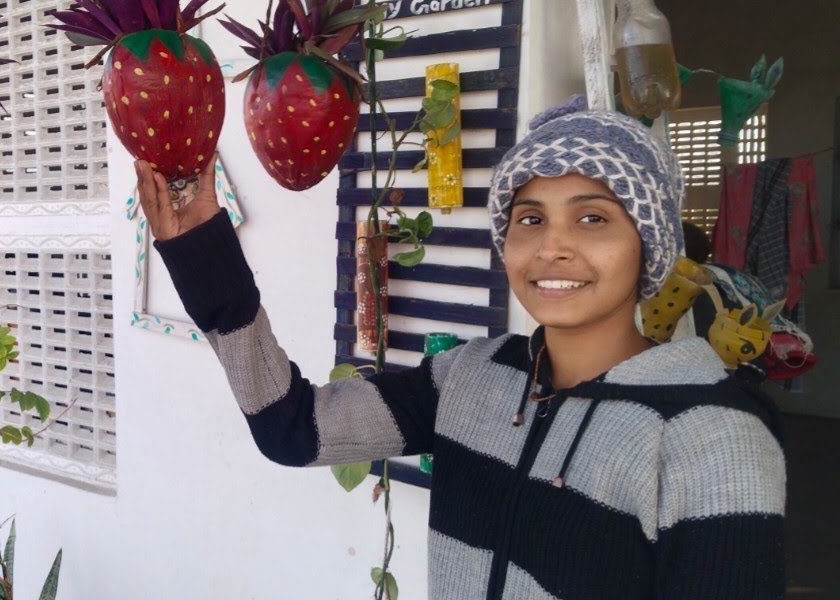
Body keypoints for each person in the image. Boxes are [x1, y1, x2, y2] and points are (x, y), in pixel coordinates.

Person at [134, 99, 786, 599]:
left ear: (649, 244)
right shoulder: (472, 376)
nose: (552, 246)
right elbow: (293, 430)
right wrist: (205, 259)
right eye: (530, 218)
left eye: (593, 217)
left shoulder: (715, 436)